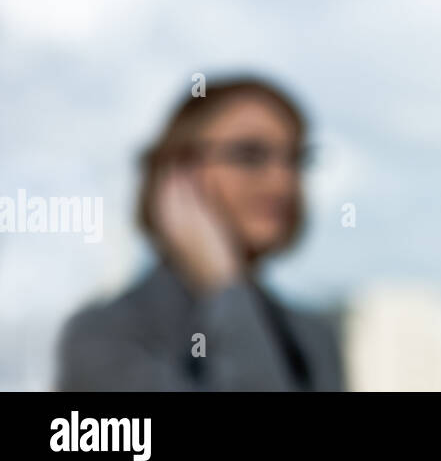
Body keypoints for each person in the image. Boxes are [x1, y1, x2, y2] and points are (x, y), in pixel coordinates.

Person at [57, 78, 342, 391]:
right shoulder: (106, 335)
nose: (282, 182)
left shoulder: (312, 336)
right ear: (177, 172)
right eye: (249, 154)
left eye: (295, 159)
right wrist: (224, 287)